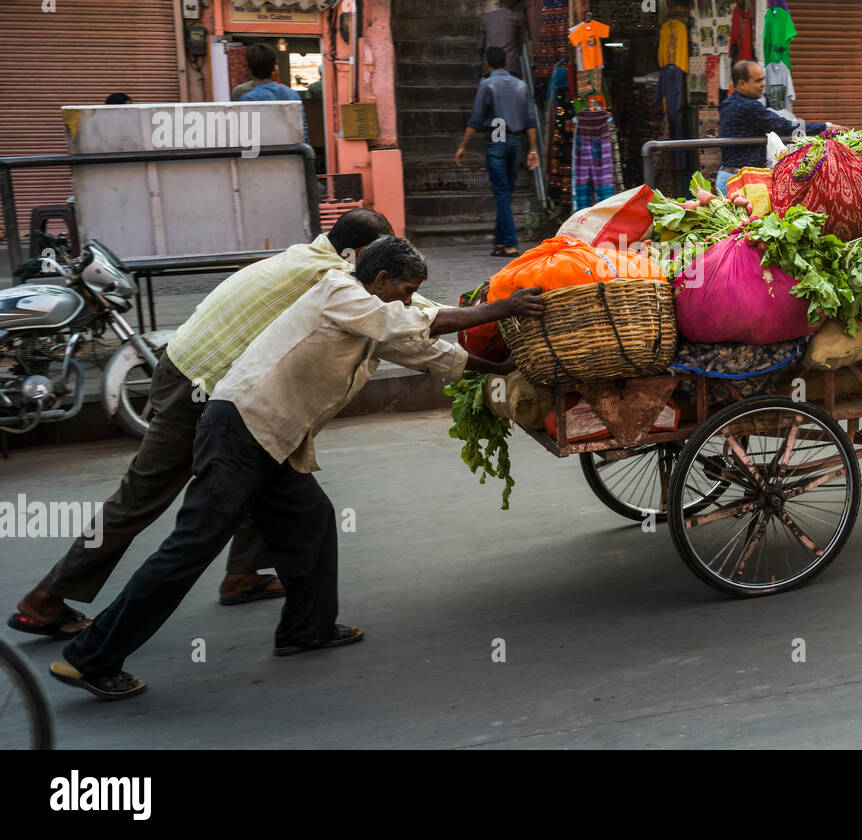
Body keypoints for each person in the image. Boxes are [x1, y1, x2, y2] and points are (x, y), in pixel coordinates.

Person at [8, 208, 543, 639]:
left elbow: (409, 327)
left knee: (268, 484)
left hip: (217, 385)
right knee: (148, 498)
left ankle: (247, 579)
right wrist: (497, 308)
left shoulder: (310, 256)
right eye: (384, 265)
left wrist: (489, 362)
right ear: (361, 259)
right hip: (202, 382)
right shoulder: (333, 279)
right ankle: (48, 601)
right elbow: (410, 317)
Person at [456, 46, 540, 257]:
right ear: (506, 62)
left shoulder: (487, 84)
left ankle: (510, 243)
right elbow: (530, 120)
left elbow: (476, 118)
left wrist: (463, 145)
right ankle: (500, 242)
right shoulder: (521, 85)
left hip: (497, 137)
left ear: (487, 63)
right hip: (515, 140)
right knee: (505, 192)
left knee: (502, 193)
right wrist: (533, 149)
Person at [716, 60, 844, 197]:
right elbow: (783, 126)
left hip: (726, 176)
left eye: (763, 79)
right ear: (742, 84)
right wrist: (825, 127)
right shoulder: (749, 106)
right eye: (758, 81)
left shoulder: (727, 103)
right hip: (740, 182)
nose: (763, 84)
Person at [240, 42, 309, 143]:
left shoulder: (250, 99)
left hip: (266, 156)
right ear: (274, 67)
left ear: (248, 68)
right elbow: (303, 132)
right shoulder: (292, 94)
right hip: (293, 153)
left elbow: (248, 138)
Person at [478, 0, 525, 78]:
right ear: (516, 6)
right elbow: (519, 46)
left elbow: (480, 47)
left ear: (499, 4)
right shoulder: (517, 18)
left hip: (490, 68)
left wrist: (487, 61)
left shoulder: (486, 17)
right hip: (511, 67)